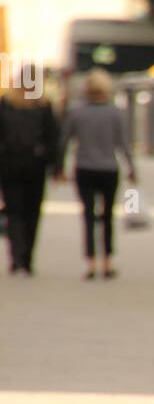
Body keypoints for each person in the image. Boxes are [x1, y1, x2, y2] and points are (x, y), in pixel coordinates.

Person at [58, 68, 136, 280]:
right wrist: (132, 169)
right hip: (109, 169)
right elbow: (123, 144)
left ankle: (90, 263)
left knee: (88, 216)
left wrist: (59, 169)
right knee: (108, 216)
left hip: (84, 168)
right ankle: (107, 262)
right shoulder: (115, 113)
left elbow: (64, 141)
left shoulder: (77, 112)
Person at [0, 81, 59, 275]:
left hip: (9, 164)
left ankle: (16, 255)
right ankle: (27, 259)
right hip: (36, 165)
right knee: (32, 212)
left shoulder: (6, 103)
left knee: (13, 210)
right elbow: (53, 138)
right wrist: (55, 166)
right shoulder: (43, 106)